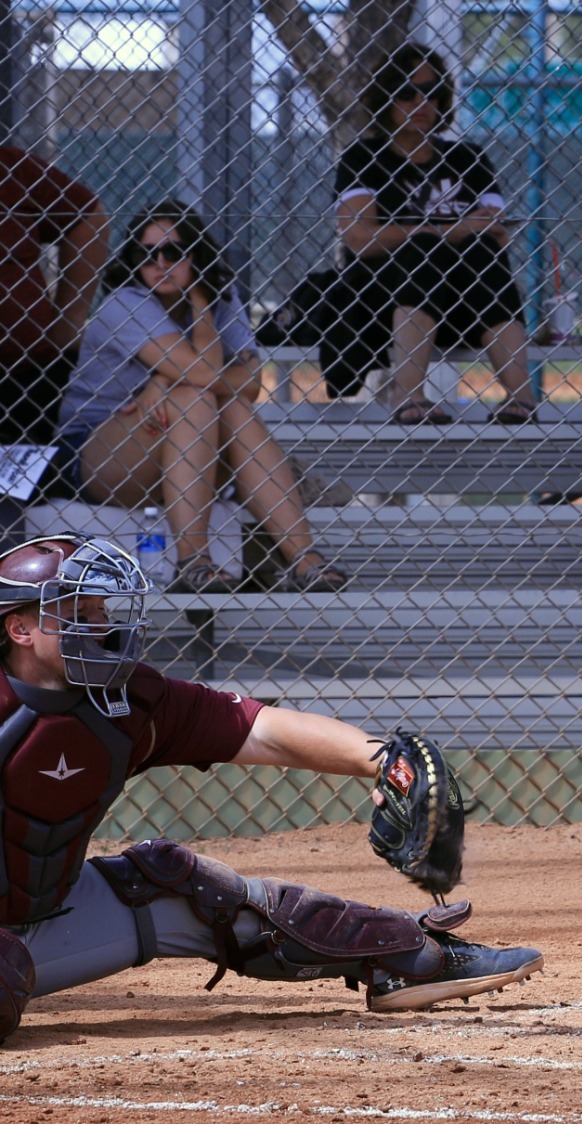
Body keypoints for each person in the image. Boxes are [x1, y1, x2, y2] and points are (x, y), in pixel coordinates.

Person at [0, 535, 542, 1045]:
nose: (102, 629)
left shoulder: (131, 703)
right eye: (77, 615)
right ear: (20, 629)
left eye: (102, 614)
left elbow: (264, 732)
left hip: (52, 917)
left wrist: (383, 764)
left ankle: (411, 958)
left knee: (190, 888)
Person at [52, 204, 346, 594]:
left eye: (173, 252)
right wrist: (174, 378)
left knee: (231, 406)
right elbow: (207, 374)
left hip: (189, 447)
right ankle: (193, 560)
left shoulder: (222, 300)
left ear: (197, 256)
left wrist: (199, 315)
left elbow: (253, 384)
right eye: (147, 254)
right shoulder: (126, 303)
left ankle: (304, 559)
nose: (160, 262)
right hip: (98, 451)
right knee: (197, 397)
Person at [334, 44, 536, 426]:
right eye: (407, 92)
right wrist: (443, 231)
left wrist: (438, 234)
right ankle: (408, 395)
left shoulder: (467, 159)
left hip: (463, 303)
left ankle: (521, 396)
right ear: (386, 98)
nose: (421, 102)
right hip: (384, 306)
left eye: (432, 92)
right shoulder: (363, 158)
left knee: (479, 251)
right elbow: (360, 238)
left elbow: (493, 233)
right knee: (425, 246)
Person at [0, 148, 109, 539]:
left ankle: (20, 573)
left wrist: (70, 315)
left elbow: (88, 217)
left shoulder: (8, 166)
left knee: (27, 485)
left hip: (29, 375)